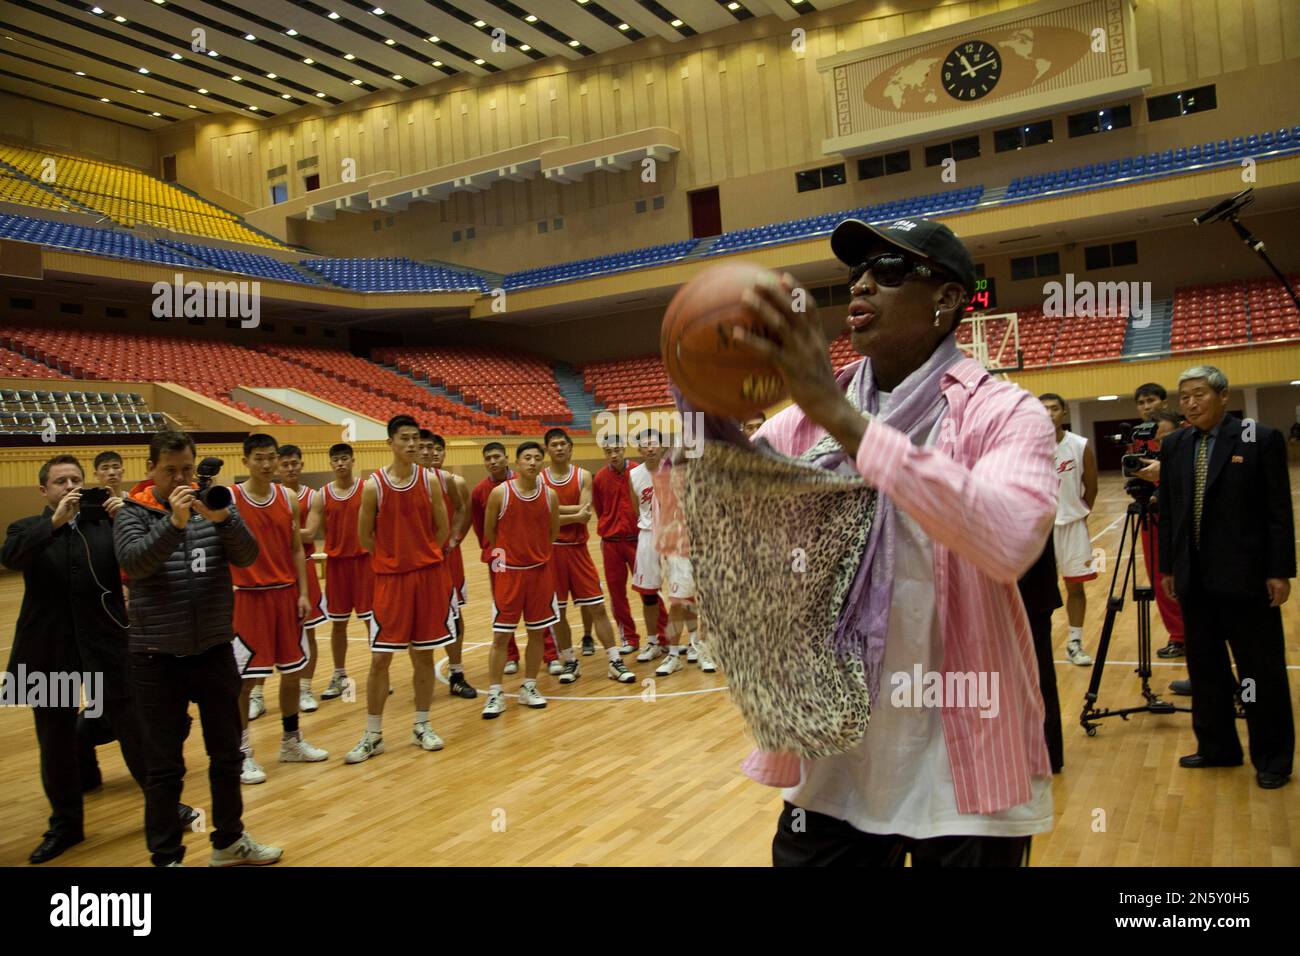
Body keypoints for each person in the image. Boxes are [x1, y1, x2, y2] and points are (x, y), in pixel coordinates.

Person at [728, 216, 1057, 866]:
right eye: (857, 272)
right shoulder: (805, 419)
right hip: (834, 762)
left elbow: (1006, 538)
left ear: (947, 299)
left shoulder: (1004, 413)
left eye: (891, 271)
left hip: (960, 765)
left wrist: (847, 424)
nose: (864, 284)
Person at [2, 455, 195, 864]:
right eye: (60, 481)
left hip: (108, 646)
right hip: (47, 651)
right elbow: (11, 557)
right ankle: (65, 826)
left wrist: (124, 518)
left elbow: (148, 558)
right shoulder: (28, 529)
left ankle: (165, 808)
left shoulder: (108, 523)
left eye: (75, 479)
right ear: (44, 491)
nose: (69, 486)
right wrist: (54, 522)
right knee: (54, 742)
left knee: (134, 730)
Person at [114, 429, 281, 866]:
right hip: (156, 657)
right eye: (171, 471)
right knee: (164, 767)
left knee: (227, 754)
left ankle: (229, 842)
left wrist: (225, 519)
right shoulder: (132, 513)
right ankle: (166, 856)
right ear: (151, 470)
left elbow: (247, 556)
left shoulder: (215, 507)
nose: (181, 478)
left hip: (211, 650)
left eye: (187, 468)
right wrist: (174, 523)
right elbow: (135, 563)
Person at [1157, 365, 1294, 790]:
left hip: (1247, 579)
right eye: (1184, 397)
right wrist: (1168, 567)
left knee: (1258, 673)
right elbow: (1171, 512)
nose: (1191, 403)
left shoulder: (1259, 438)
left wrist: (1279, 571)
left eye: (1199, 394)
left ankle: (1272, 758)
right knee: (1206, 669)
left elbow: (1278, 513)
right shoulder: (1176, 444)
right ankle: (1218, 748)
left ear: (1223, 396)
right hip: (1195, 580)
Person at [345, 415, 454, 763]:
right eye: (404, 438)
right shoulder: (373, 485)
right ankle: (373, 733)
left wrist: (421, 557)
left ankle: (422, 724)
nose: (411, 444)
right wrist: (393, 561)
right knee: (380, 660)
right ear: (390, 443)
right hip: (390, 582)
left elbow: (442, 528)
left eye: (415, 439)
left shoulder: (430, 482)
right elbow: (365, 537)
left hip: (426, 579)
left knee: (423, 655)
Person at [230, 435, 329, 785]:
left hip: (286, 594)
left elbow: (297, 549)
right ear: (245, 461)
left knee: (292, 672)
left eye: (271, 457)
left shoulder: (288, 497)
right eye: (259, 458)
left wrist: (304, 592)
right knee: (244, 680)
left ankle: (291, 742)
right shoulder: (231, 497)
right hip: (248, 596)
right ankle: (242, 753)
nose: (267, 464)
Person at [541, 428, 636, 684]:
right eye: (554, 444)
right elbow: (541, 517)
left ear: (570, 448)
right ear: (547, 449)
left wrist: (553, 513)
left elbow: (585, 512)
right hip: (552, 553)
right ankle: (570, 661)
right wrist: (558, 515)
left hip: (578, 551)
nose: (559, 448)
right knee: (558, 612)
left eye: (563, 444)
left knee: (597, 607)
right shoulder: (540, 478)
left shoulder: (583, 475)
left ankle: (615, 660)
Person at [481, 441, 560, 718]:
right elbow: (490, 532)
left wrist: (534, 555)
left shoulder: (550, 496)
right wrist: (506, 562)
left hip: (539, 572)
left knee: (537, 632)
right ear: (517, 463)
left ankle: (529, 686)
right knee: (501, 636)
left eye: (538, 458)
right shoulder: (500, 493)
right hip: (509, 574)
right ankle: (495, 693)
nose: (533, 462)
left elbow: (552, 532)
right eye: (527, 458)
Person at [647, 438, 716, 676]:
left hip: (706, 548)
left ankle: (701, 649)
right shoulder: (665, 478)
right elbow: (658, 515)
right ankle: (674, 655)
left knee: (702, 604)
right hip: (677, 550)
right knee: (677, 602)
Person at [1039, 393, 1097, 666]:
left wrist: (1080, 512)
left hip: (1072, 526)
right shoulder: (1028, 446)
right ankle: (1037, 646)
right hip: (1039, 529)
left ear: (1064, 412)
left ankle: (1074, 642)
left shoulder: (1080, 445)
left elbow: (1092, 486)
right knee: (1041, 593)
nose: (1048, 413)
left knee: (1075, 588)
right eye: (1043, 409)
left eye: (1054, 408)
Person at [273, 444, 328, 714]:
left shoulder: (313, 496)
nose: (291, 468)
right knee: (268, 634)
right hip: (276, 570)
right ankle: (258, 693)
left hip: (304, 566)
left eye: (295, 463)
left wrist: (278, 531)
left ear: (302, 464)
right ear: (277, 467)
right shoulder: (271, 496)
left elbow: (310, 533)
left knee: (309, 633)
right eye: (285, 464)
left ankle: (306, 688)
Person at [313, 442, 372, 700]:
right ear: (330, 463)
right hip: (337, 566)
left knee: (372, 621)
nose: (340, 463)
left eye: (344, 458)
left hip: (363, 563)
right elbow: (323, 530)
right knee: (338, 625)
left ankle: (379, 673)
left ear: (352, 461)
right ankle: (339, 674)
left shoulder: (367, 489)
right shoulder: (323, 494)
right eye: (335, 459)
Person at [422, 430, 477, 699]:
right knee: (420, 618)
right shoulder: (402, 483)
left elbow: (464, 511)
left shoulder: (451, 481)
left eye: (435, 449)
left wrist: (454, 539)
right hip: (416, 562)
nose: (430, 453)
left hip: (445, 559)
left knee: (453, 615)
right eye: (424, 448)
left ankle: (457, 672)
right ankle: (421, 677)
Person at [1132, 408, 1188, 661]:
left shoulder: (1195, 444)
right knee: (1160, 577)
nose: (1162, 443)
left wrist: (1166, 474)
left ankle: (1197, 637)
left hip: (1187, 522)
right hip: (1154, 518)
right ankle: (1178, 636)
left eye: (1167, 437)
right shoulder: (1140, 442)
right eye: (1159, 439)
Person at [591, 435, 644, 655]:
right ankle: (629, 638)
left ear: (624, 448)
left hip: (638, 540)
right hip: (611, 543)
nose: (613, 455)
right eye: (608, 451)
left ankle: (660, 637)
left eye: (617, 450)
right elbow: (599, 508)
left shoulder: (639, 473)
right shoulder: (600, 478)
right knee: (617, 593)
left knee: (649, 590)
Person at [1017, 532, 1064, 773]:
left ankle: (1049, 751)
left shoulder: (1034, 494)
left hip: (1031, 589)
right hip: (1012, 588)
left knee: (1040, 674)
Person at [628, 430, 670, 662]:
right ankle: (653, 642)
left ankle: (690, 643)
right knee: (648, 595)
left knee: (682, 594)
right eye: (645, 445)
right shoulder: (634, 474)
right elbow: (637, 509)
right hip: (647, 535)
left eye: (654, 443)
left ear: (662, 447)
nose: (650, 448)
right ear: (639, 450)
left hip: (673, 534)